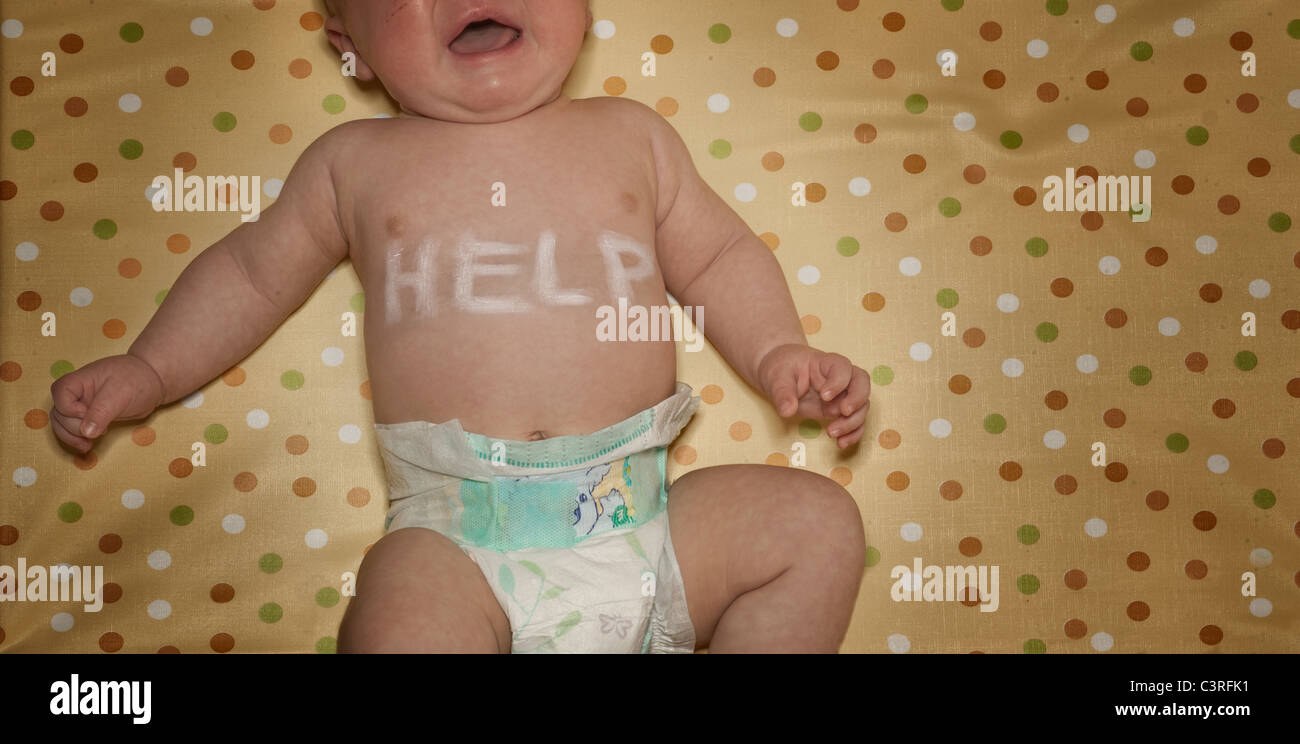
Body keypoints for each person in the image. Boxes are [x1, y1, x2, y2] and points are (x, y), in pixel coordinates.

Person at [49, 0, 871, 653]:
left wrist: (776, 351)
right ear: (352, 47)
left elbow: (721, 257)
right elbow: (249, 273)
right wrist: (149, 370)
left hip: (646, 521)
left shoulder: (631, 137)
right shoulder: (354, 163)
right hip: (458, 543)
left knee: (815, 525)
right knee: (398, 612)